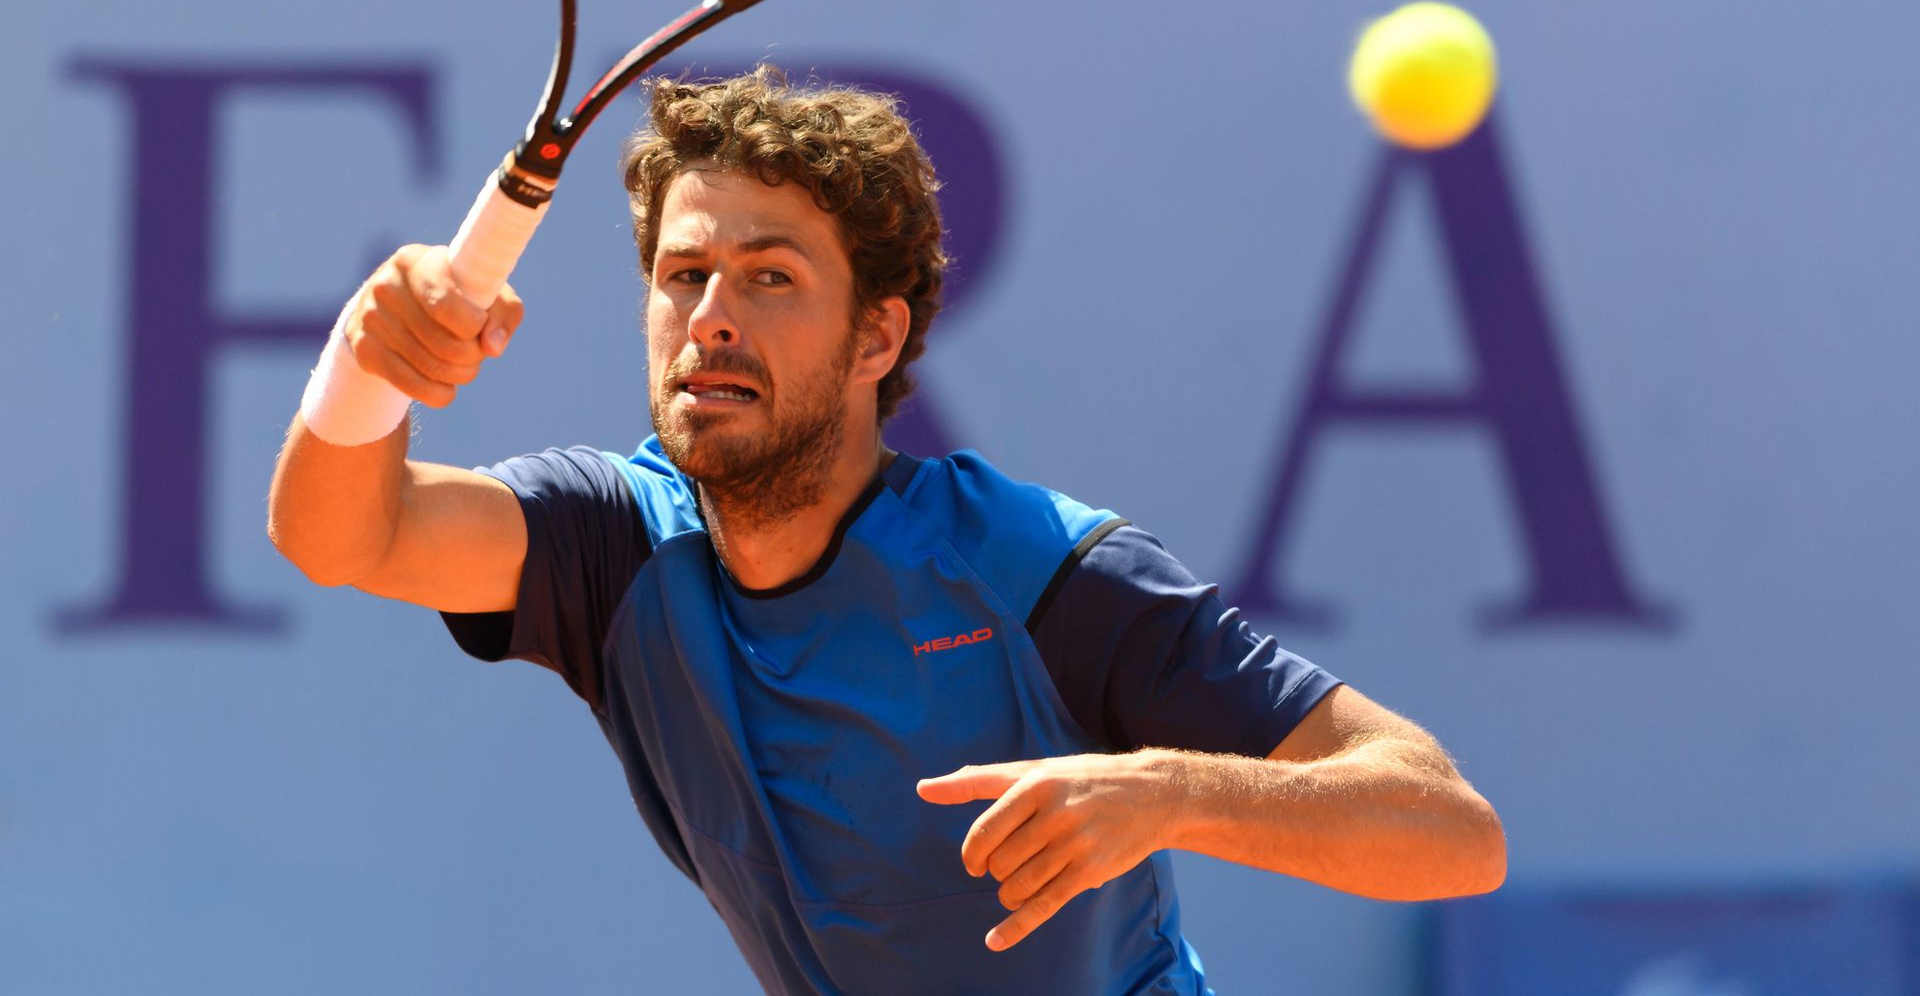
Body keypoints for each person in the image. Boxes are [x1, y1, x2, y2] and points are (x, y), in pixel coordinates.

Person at [267, 67, 1505, 995]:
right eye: (684, 274)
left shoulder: (1036, 567)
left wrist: (1166, 791)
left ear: (876, 336)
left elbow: (1451, 827)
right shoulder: (612, 544)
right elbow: (343, 533)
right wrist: (368, 357)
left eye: (771, 276)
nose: (710, 316)